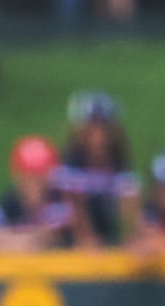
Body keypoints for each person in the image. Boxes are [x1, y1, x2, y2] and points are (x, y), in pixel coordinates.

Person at [54, 91, 140, 249]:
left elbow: (130, 203)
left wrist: (132, 235)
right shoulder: (69, 164)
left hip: (105, 235)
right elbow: (73, 205)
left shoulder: (119, 164)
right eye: (92, 129)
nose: (98, 137)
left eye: (103, 129)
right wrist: (87, 237)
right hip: (68, 240)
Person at [0, 135, 73, 251]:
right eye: (27, 177)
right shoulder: (12, 200)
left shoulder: (63, 200)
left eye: (38, 177)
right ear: (17, 177)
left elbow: (46, 238)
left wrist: (5, 240)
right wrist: (14, 240)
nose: (33, 185)